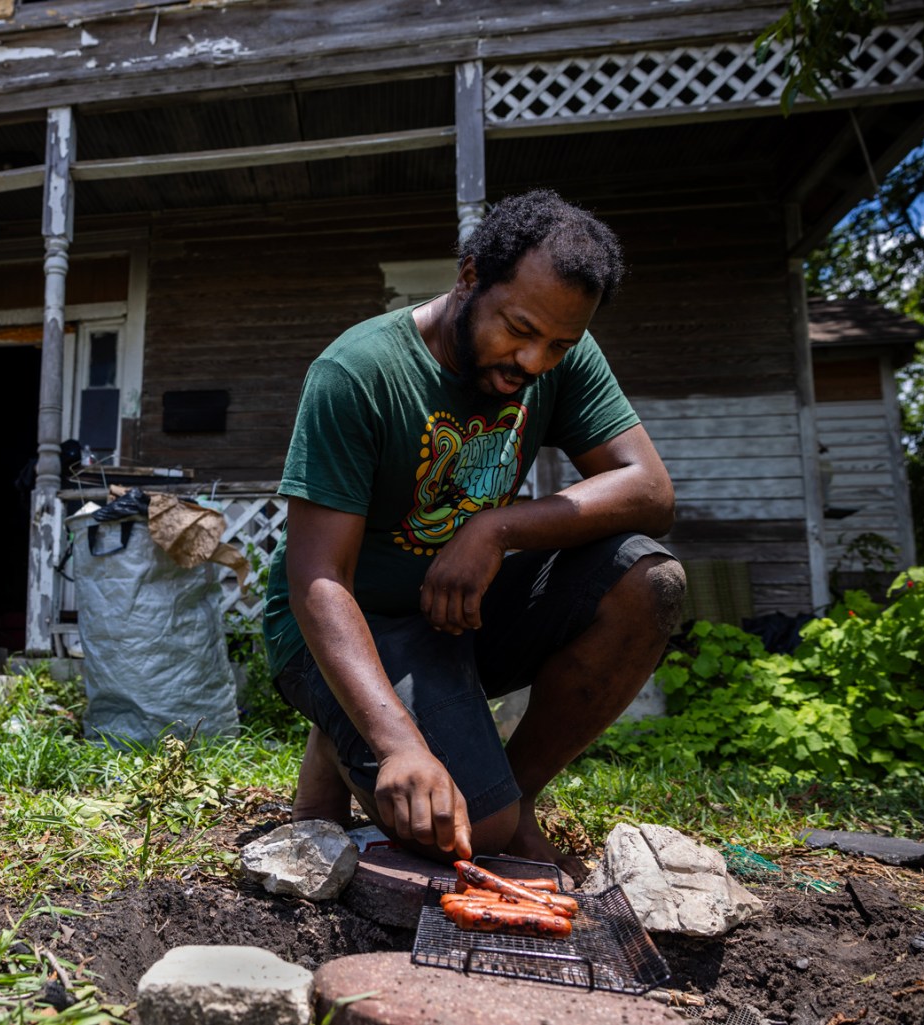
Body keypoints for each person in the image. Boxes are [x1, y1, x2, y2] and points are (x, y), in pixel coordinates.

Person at [262, 189, 686, 881]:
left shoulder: (556, 347)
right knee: (467, 830)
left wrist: (498, 527)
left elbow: (650, 490)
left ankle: (510, 800)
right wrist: (400, 746)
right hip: (343, 623)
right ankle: (353, 726)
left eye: (557, 344)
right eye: (518, 329)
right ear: (468, 277)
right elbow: (318, 578)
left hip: (457, 612)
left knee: (649, 580)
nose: (533, 360)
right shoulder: (359, 372)